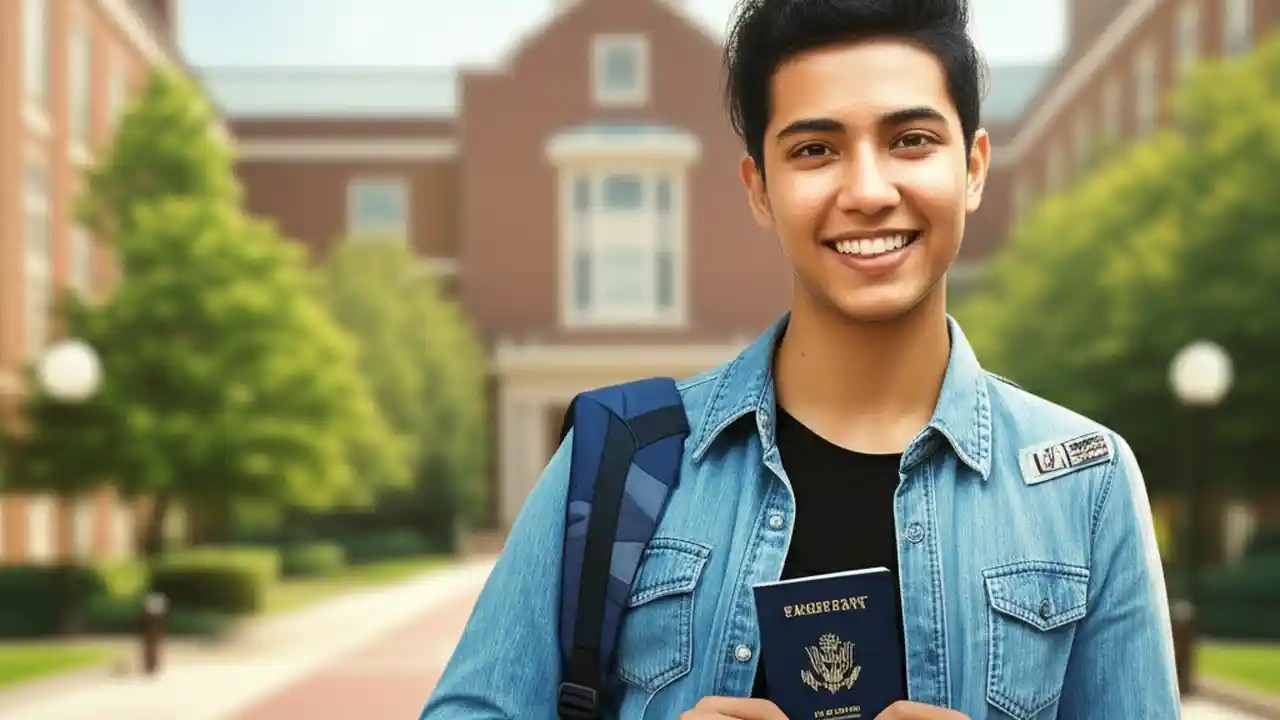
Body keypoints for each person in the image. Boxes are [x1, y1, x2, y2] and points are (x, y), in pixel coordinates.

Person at [420, 0, 1180, 717]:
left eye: (910, 140)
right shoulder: (617, 459)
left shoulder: (1086, 483)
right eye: (816, 149)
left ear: (974, 167)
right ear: (760, 189)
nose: (868, 190)